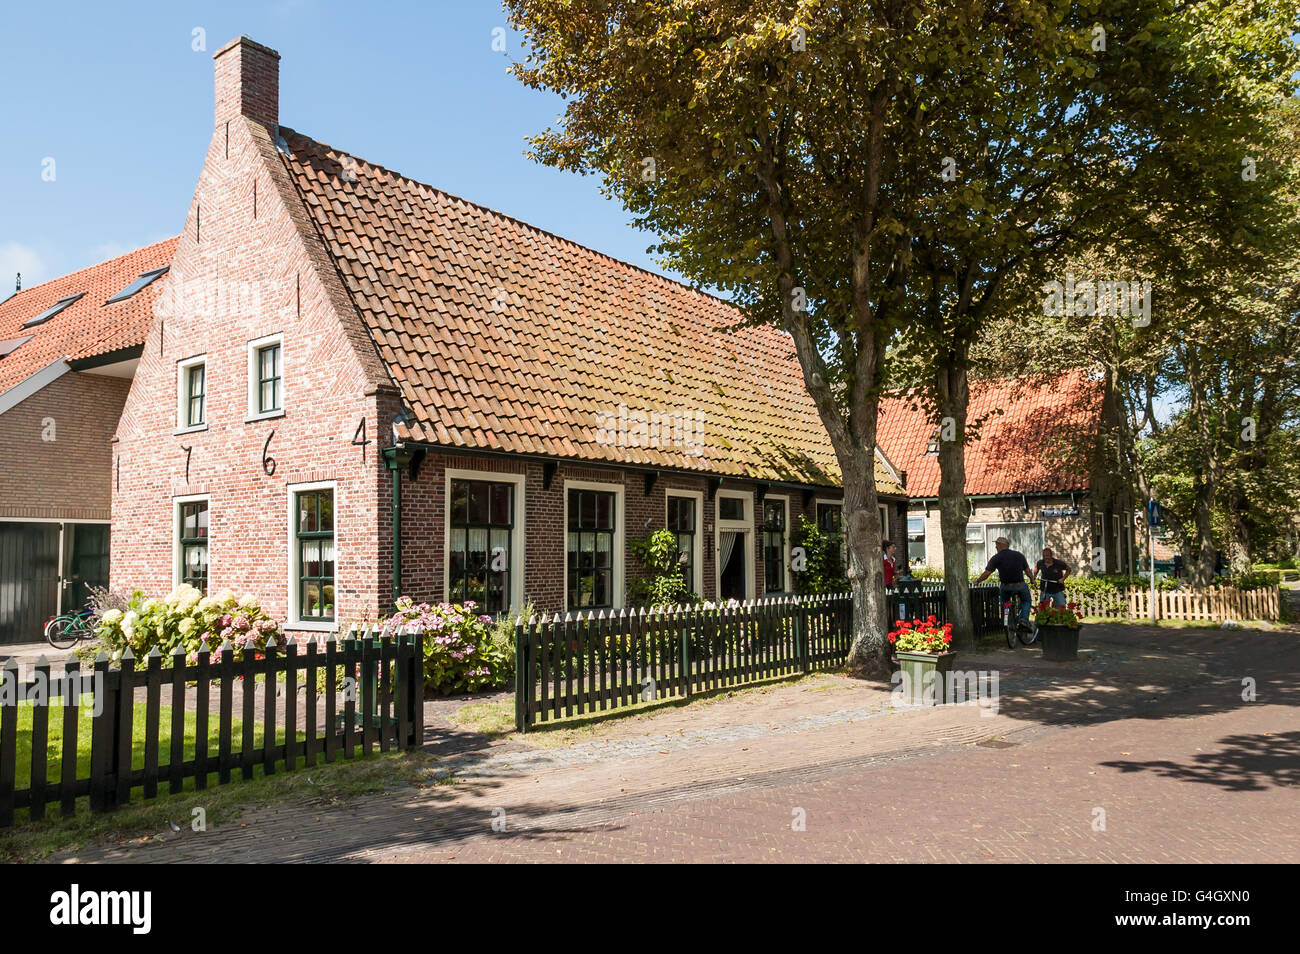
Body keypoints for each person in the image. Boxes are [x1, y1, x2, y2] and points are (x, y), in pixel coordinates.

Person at [975, 537, 1033, 630]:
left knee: (1005, 603)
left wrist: (978, 581)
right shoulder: (1019, 555)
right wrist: (1032, 580)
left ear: (1000, 545)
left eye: (996, 545)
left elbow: (987, 573)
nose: (996, 547)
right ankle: (1023, 620)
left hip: (1006, 587)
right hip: (1020, 585)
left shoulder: (996, 558)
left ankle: (1007, 622)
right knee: (1026, 601)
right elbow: (1027, 571)